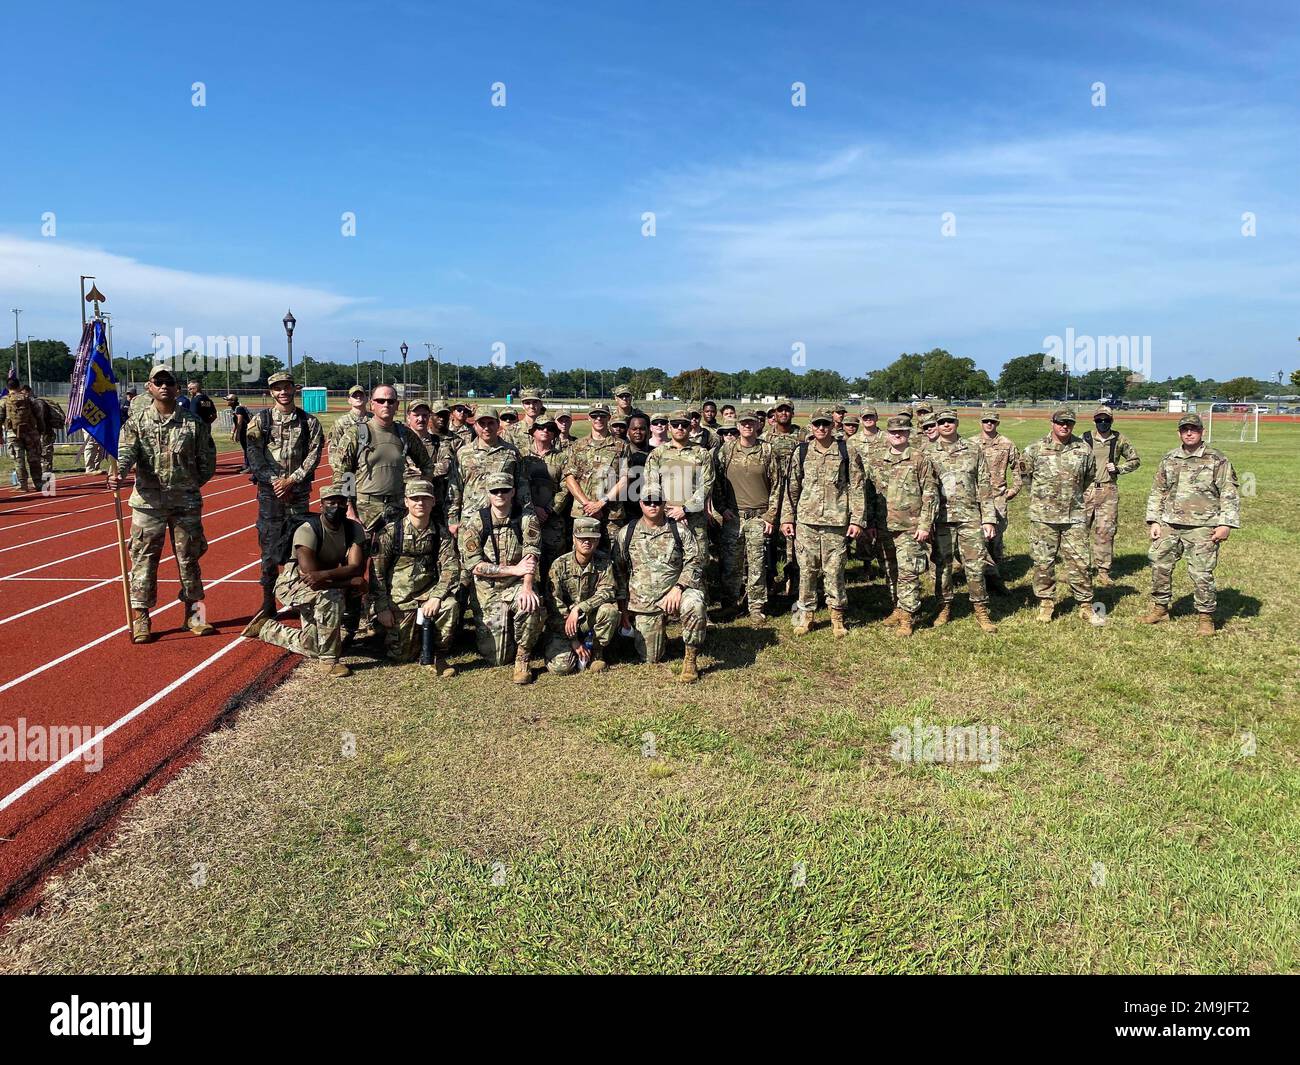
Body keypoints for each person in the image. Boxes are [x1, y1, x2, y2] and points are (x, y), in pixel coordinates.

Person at [107, 364, 217, 642]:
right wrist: (119, 471)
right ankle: (141, 617)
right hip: (148, 504)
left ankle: (195, 616)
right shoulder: (137, 422)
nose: (164, 386)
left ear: (177, 387)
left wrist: (189, 485)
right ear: (150, 387)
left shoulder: (194, 424)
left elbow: (207, 462)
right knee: (143, 560)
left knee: (190, 560)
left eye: (169, 382)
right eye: (159, 382)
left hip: (185, 503)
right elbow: (126, 452)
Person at [244, 482, 368, 677]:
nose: (336, 507)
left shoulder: (353, 529)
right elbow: (312, 579)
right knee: (333, 595)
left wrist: (341, 578)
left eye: (341, 503)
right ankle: (329, 661)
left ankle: (266, 628)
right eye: (330, 503)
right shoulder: (308, 530)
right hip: (293, 584)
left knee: (312, 647)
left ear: (347, 506)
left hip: (322, 580)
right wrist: (347, 581)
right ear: (321, 505)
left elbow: (355, 567)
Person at [1140, 412, 1240, 636]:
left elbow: (1229, 493)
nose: (1189, 433)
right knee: (1159, 565)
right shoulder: (1169, 459)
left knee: (1202, 573)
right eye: (1185, 429)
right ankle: (1160, 608)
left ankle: (1205, 617)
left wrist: (1226, 524)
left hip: (1204, 526)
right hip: (1170, 523)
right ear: (1179, 433)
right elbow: (1158, 491)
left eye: (1193, 429)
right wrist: (1154, 520)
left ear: (1201, 432)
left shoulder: (1217, 459)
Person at [244, 372, 325, 617]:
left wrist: (293, 479)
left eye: (287, 387)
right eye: (278, 388)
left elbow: (314, 455)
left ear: (294, 390)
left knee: (301, 548)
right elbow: (253, 454)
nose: (283, 392)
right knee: (269, 551)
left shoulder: (309, 422)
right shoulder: (261, 421)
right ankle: (268, 602)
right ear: (271, 392)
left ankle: (301, 601)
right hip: (271, 496)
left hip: (298, 495)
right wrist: (274, 481)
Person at [781, 409, 866, 636]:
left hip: (836, 522)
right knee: (807, 570)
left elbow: (857, 487)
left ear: (832, 426)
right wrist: (787, 518)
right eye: (817, 424)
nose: (821, 428)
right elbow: (792, 488)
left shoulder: (846, 450)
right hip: (806, 522)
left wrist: (857, 520)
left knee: (834, 570)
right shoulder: (801, 452)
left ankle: (837, 616)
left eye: (825, 424)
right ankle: (806, 615)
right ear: (811, 426)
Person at [1019, 407, 1103, 625]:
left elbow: (1089, 479)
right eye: (1060, 422)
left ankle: (1085, 604)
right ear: (1052, 422)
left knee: (1081, 562)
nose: (1064, 426)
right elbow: (1025, 477)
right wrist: (1041, 499)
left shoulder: (1083, 450)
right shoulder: (1035, 449)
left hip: (1073, 517)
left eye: (1069, 423)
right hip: (1043, 517)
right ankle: (1046, 603)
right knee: (1043, 563)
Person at [613, 490, 705, 682]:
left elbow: (695, 561)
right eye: (648, 502)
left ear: (664, 503)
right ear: (640, 504)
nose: (653, 505)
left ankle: (690, 660)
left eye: (657, 501)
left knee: (695, 604)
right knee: (651, 658)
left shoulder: (679, 530)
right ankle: (657, 632)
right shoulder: (627, 533)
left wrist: (679, 587)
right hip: (645, 603)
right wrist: (623, 609)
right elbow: (620, 572)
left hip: (676, 594)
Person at [462, 471, 544, 683]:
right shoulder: (476, 522)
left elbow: (531, 555)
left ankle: (523, 657)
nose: (500, 494)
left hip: (517, 584)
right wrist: (513, 570)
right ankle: (509, 636)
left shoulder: (526, 518)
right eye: (495, 491)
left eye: (505, 490)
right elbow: (475, 566)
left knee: (530, 604)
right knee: (497, 658)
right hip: (488, 589)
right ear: (488, 494)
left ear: (513, 492)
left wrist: (527, 586)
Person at [370, 479, 462, 672]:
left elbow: (451, 567)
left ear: (433, 502)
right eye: (415, 498)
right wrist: (382, 607)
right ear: (406, 502)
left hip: (428, 595)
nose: (420, 503)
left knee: (450, 605)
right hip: (400, 600)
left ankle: (437, 652)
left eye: (425, 499)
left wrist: (437, 596)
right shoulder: (391, 533)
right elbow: (377, 572)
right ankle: (406, 636)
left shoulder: (440, 533)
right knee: (401, 656)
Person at [331, 383, 437, 541]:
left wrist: (419, 492)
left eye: (390, 401)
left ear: (397, 405)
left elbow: (427, 465)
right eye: (380, 400)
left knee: (395, 561)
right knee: (359, 560)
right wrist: (350, 510)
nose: (386, 404)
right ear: (372, 404)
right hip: (364, 510)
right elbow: (343, 474)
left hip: (397, 509)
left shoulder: (404, 434)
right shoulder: (355, 434)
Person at [864, 416, 938, 636]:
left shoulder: (919, 459)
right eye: (894, 432)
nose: (898, 435)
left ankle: (908, 616)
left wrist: (925, 524)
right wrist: (870, 523)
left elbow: (930, 494)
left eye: (903, 432)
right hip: (884, 525)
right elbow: (869, 494)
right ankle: (897, 606)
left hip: (910, 527)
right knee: (890, 570)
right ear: (887, 434)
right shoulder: (878, 460)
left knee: (908, 573)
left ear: (909, 434)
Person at [926, 410, 998, 633]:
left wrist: (989, 519)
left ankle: (981, 609)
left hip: (969, 517)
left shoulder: (973, 450)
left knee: (975, 566)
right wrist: (926, 522)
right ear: (937, 426)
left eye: (949, 421)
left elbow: (985, 485)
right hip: (941, 519)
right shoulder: (928, 453)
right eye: (941, 422)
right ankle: (944, 606)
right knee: (942, 566)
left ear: (956, 423)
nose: (946, 425)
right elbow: (925, 491)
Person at [715, 410, 781, 621]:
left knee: (757, 565)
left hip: (758, 517)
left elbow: (777, 485)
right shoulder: (726, 450)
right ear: (738, 425)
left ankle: (756, 607)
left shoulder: (767, 450)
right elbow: (716, 482)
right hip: (733, 517)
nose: (747, 426)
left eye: (751, 423)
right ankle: (730, 604)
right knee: (731, 565)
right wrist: (721, 507)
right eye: (743, 423)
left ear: (757, 425)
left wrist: (770, 516)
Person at [544, 516, 620, 674]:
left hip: (588, 620)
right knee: (561, 668)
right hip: (563, 623)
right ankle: (568, 648)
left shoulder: (604, 563)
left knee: (609, 610)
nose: (587, 542)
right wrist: (573, 641)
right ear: (574, 539)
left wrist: (579, 607)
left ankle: (597, 653)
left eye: (592, 539)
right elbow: (554, 605)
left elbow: (608, 591)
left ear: (598, 541)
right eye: (582, 538)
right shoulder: (559, 565)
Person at [643, 409, 715, 562]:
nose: (680, 428)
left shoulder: (701, 453)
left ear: (690, 427)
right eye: (676, 425)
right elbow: (652, 486)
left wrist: (685, 509)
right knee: (666, 564)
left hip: (695, 521)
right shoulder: (657, 454)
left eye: (684, 425)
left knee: (698, 564)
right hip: (666, 519)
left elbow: (707, 485)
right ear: (669, 427)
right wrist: (670, 511)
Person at [1082, 405, 1141, 587]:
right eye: (1099, 420)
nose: (1103, 423)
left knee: (1105, 531)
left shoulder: (1119, 439)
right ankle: (1080, 568)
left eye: (1106, 420)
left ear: (1111, 421)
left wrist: (1119, 469)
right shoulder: (1084, 438)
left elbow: (1135, 460)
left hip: (1108, 490)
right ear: (1094, 421)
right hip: (1086, 490)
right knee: (1078, 530)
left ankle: (1103, 571)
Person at [562, 403, 629, 547]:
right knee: (582, 555)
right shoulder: (577, 445)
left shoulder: (621, 446)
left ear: (609, 418)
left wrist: (600, 503)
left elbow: (625, 479)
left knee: (614, 555)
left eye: (602, 415)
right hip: (583, 512)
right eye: (594, 415)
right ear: (589, 418)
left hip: (611, 514)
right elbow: (569, 478)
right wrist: (588, 505)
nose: (598, 419)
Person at [970, 408, 1021, 594]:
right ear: (981, 423)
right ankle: (980, 576)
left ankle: (996, 576)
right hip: (976, 497)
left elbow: (1018, 468)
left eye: (992, 421)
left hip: (998, 497)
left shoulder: (1006, 444)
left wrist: (1014, 489)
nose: (989, 424)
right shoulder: (972, 444)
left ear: (997, 423)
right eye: (986, 421)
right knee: (977, 537)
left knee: (996, 537)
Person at [522, 417, 570, 575]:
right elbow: (518, 485)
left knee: (554, 564)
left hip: (552, 519)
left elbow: (565, 487)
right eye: (541, 427)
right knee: (529, 561)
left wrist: (549, 510)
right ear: (533, 431)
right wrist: (532, 508)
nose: (545, 431)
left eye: (549, 428)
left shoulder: (562, 458)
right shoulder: (522, 457)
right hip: (526, 516)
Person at [1, 376, 42, 493]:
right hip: (31, 433)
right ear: (19, 386)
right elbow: (38, 414)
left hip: (13, 434)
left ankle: (22, 484)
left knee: (18, 460)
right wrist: (40, 430)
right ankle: (38, 483)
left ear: (7, 387)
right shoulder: (28, 398)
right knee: (34, 459)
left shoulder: (4, 400)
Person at [329, 385, 369, 453]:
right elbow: (333, 448)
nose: (358, 397)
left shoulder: (374, 419)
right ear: (349, 400)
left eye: (361, 395)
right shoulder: (341, 422)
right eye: (354, 396)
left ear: (367, 398)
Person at [225, 393, 251, 472]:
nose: (226, 401)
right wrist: (232, 432)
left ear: (232, 401)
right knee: (245, 448)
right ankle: (246, 465)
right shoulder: (235, 408)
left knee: (247, 449)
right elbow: (235, 422)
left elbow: (240, 422)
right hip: (243, 430)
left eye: (228, 400)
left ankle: (249, 466)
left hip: (246, 431)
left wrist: (238, 434)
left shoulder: (239, 409)